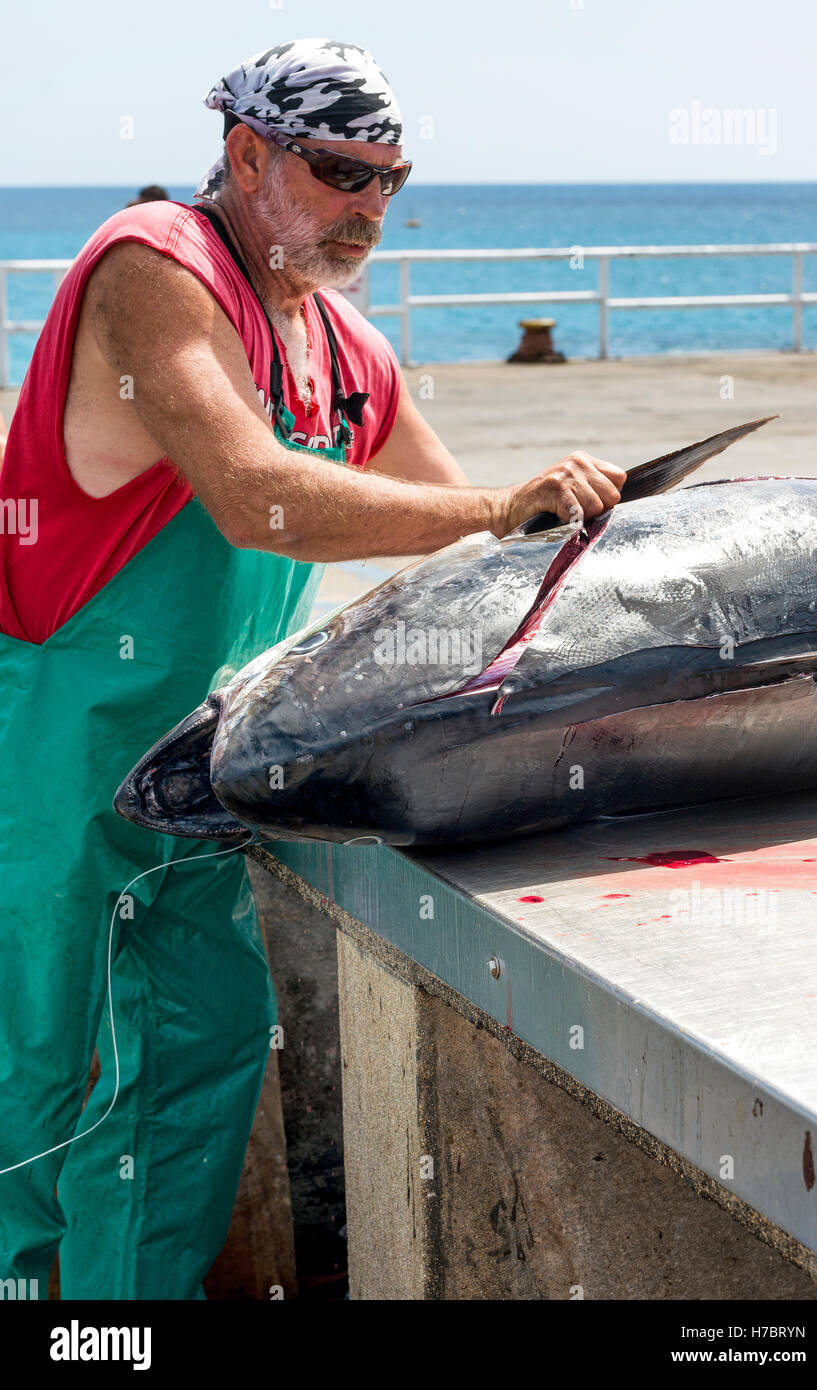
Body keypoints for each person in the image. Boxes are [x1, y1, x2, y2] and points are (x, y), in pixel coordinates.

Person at [0, 37, 625, 1301]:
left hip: (199, 785)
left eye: (392, 180)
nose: (371, 209)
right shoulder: (154, 271)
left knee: (185, 1084)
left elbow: (467, 541)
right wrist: (504, 507)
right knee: (50, 1101)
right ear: (245, 155)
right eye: (343, 172)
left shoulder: (342, 348)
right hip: (63, 775)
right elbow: (256, 498)